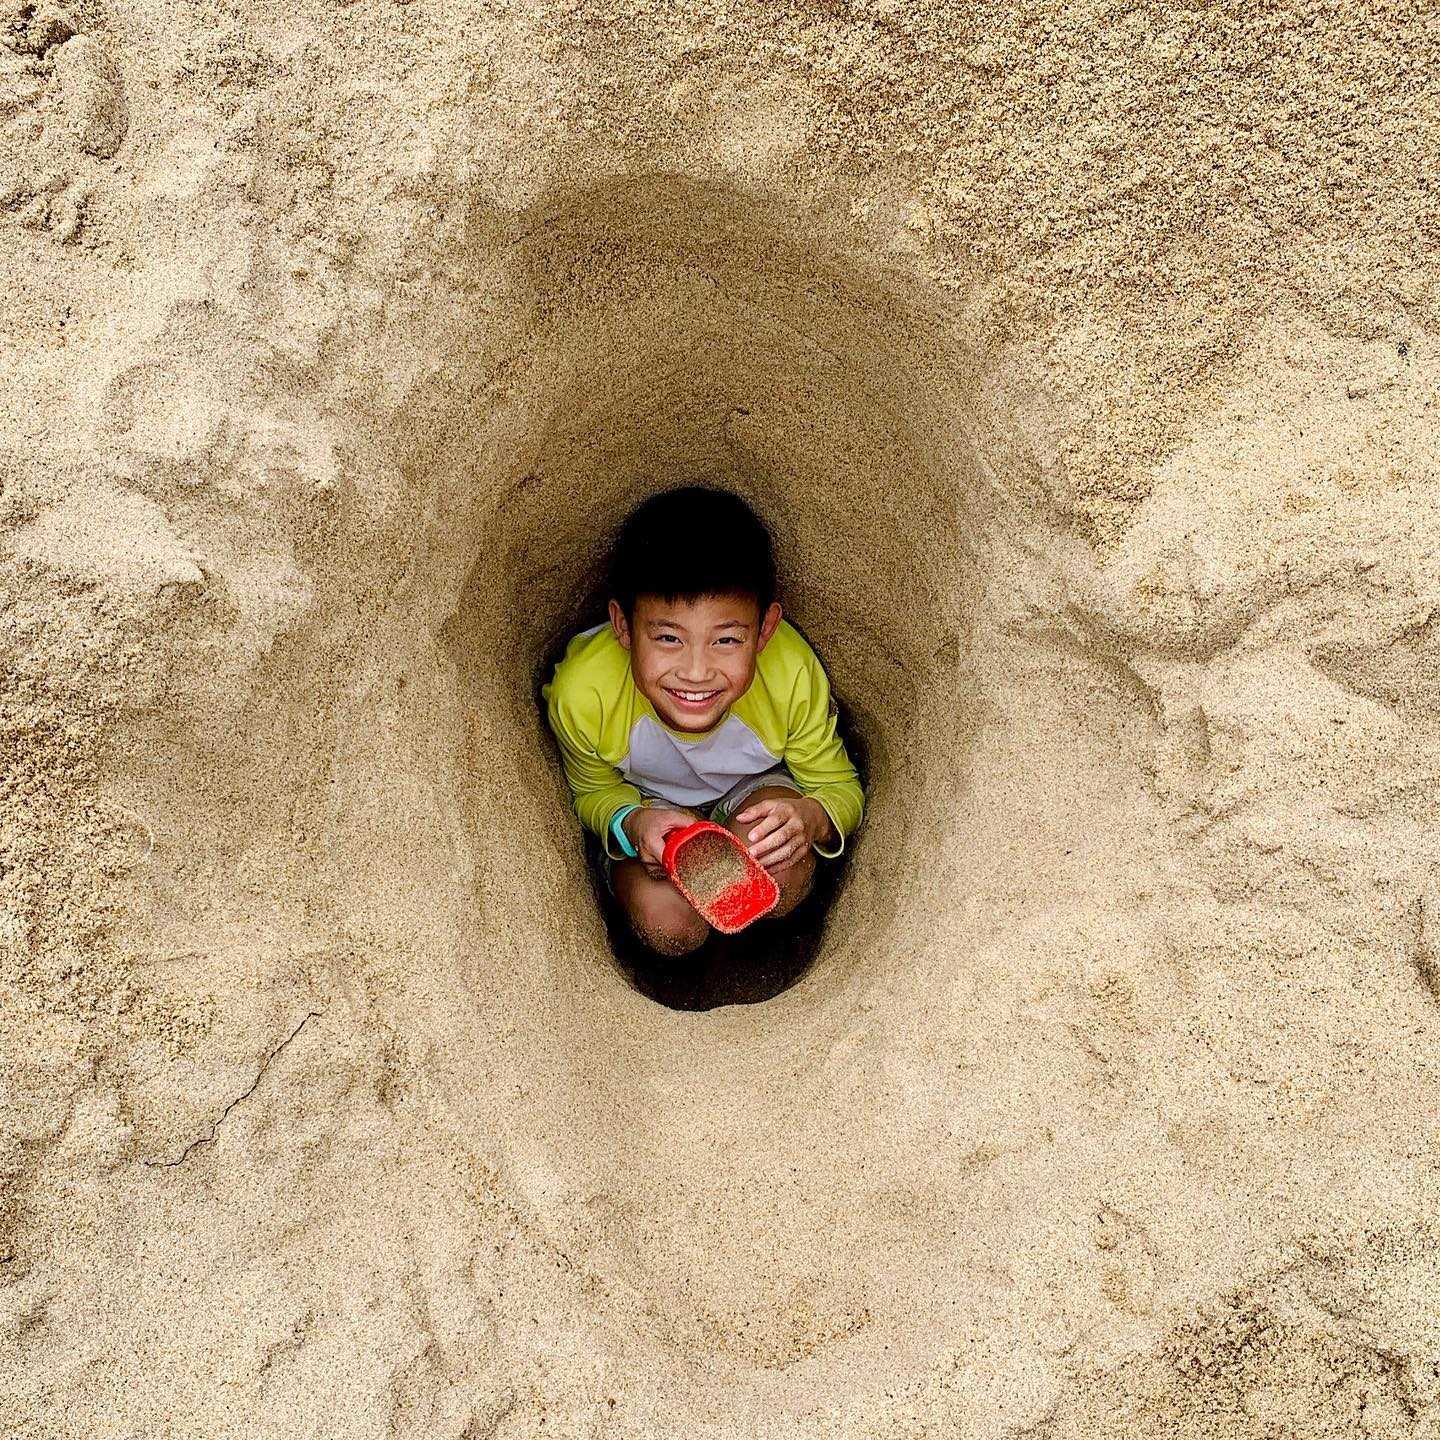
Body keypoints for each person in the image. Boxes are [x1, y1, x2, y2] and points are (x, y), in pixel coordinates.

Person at [541, 485, 865, 957]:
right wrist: (633, 825)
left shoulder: (789, 671)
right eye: (669, 638)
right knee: (670, 927)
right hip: (651, 810)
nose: (696, 673)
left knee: (778, 867)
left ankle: (769, 949)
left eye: (727, 641)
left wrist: (810, 819)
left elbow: (840, 785)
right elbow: (591, 792)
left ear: (765, 631)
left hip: (753, 792)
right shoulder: (583, 692)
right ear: (624, 628)